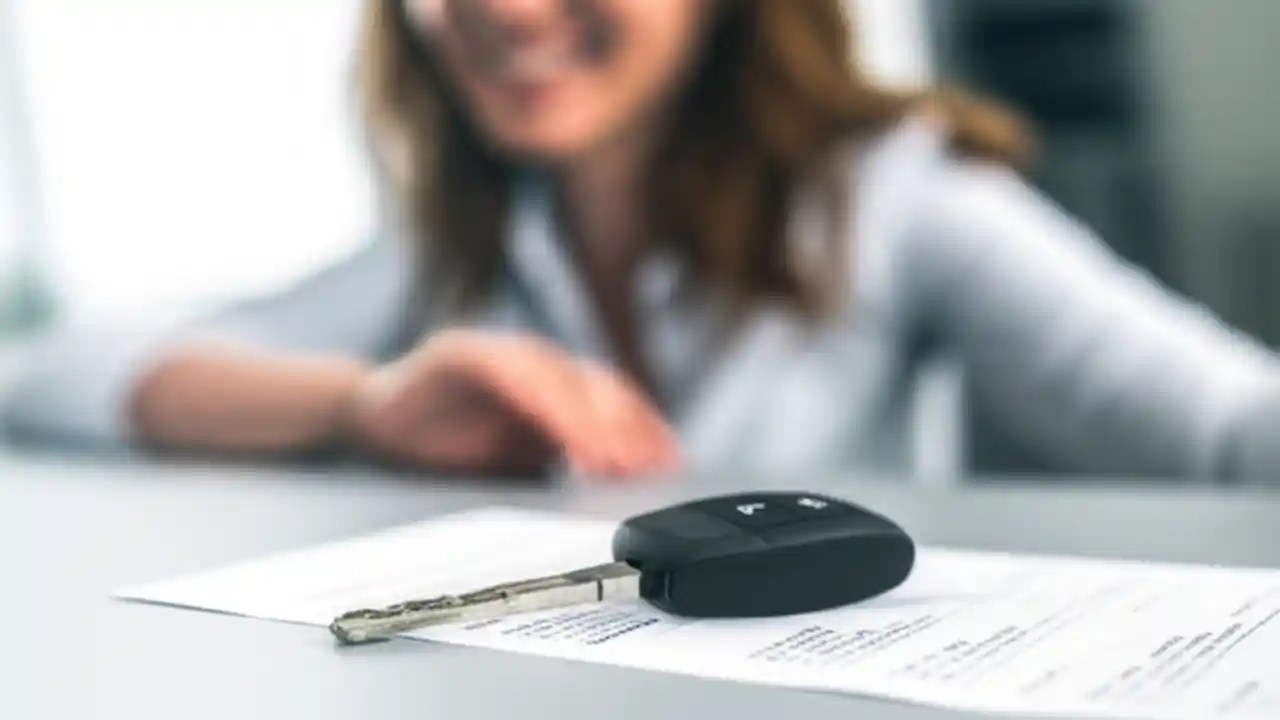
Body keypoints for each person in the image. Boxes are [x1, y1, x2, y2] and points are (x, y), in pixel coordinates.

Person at [4, 0, 1279, 481]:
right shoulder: (460, 248)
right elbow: (51, 374)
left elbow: (1224, 427)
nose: (498, 9)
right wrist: (363, 404)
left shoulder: (888, 195)